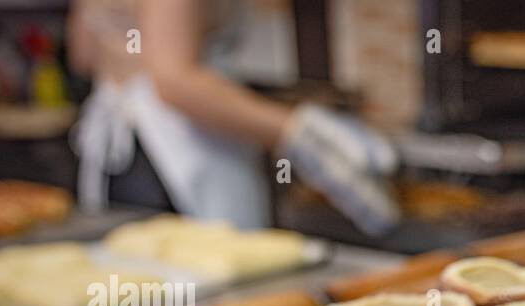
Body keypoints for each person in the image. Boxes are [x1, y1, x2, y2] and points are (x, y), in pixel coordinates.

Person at [66, 0, 397, 233]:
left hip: (121, 158)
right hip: (179, 154)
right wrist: (298, 131)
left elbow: (84, 54)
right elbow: (174, 80)